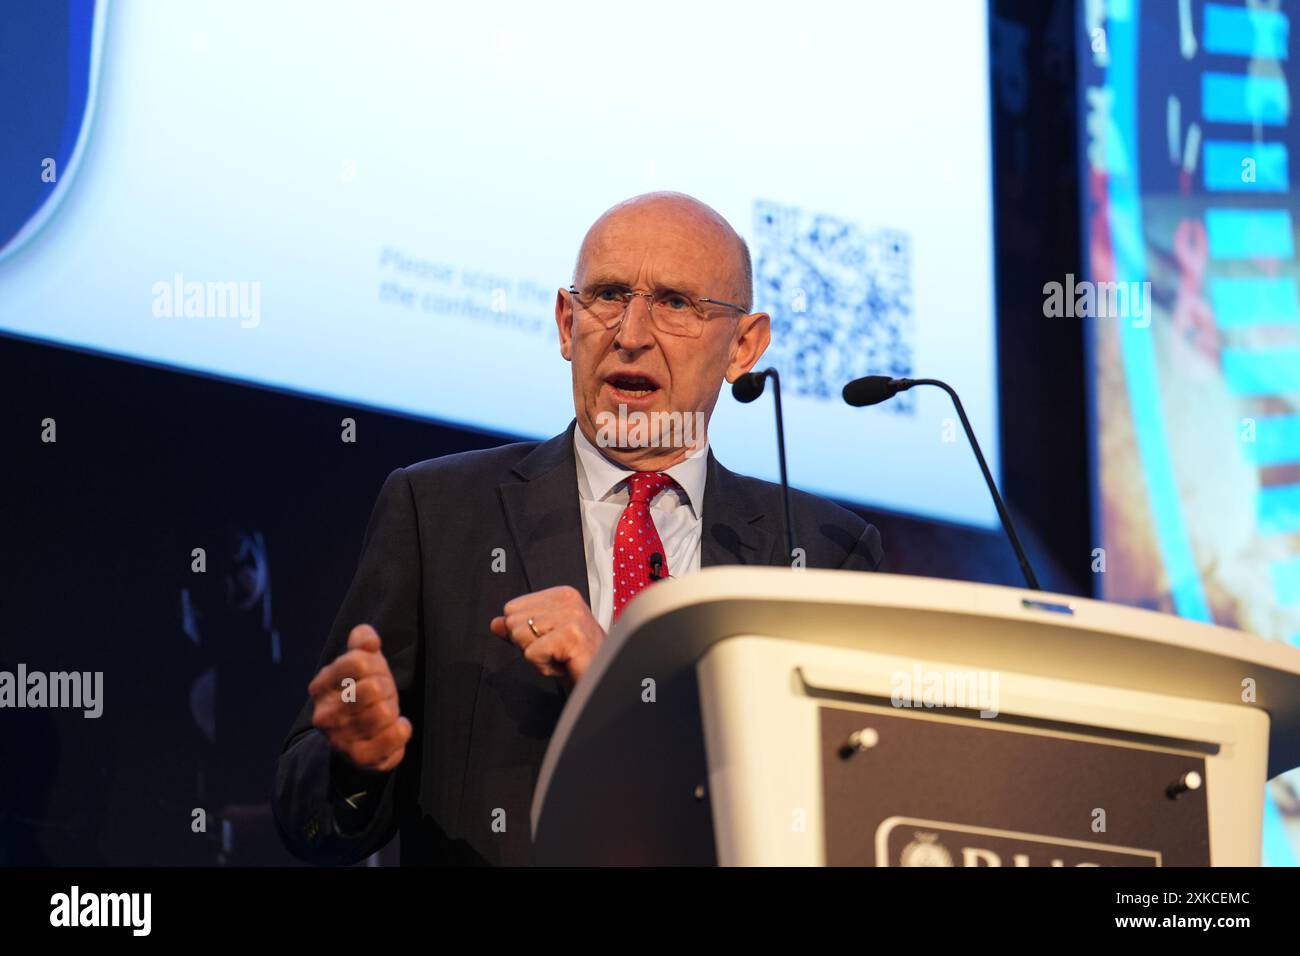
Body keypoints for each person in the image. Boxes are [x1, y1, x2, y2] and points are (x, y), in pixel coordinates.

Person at [274, 192, 883, 865]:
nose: (630, 333)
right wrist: (356, 764)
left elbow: (841, 821)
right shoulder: (438, 511)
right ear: (567, 324)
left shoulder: (822, 552)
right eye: (608, 295)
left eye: (676, 303)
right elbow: (309, 820)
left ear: (744, 345)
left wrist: (617, 696)